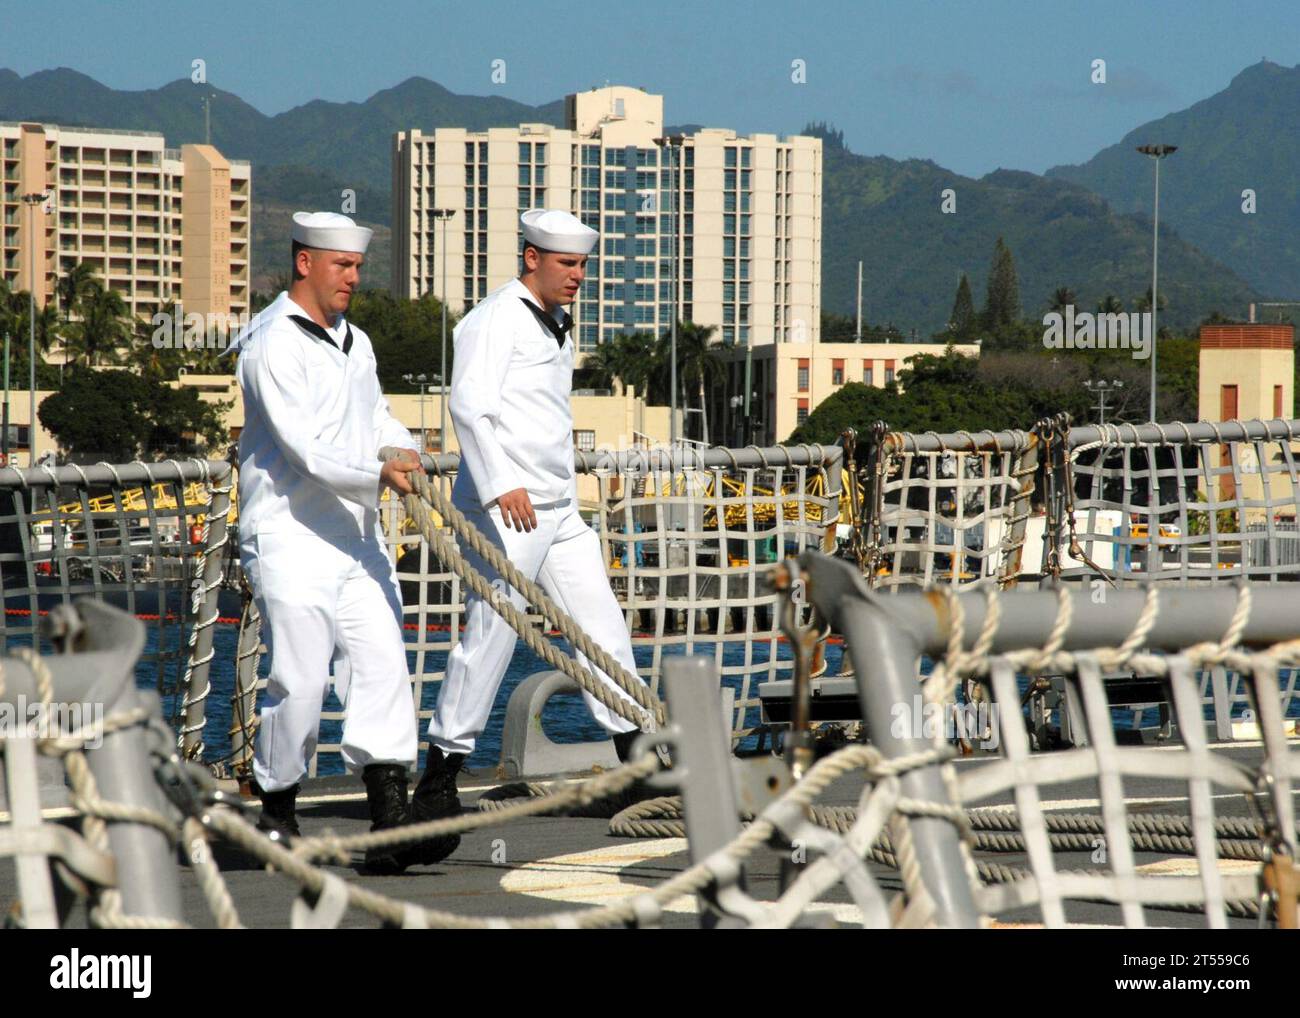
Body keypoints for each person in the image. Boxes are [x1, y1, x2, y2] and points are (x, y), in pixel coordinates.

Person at [409, 209, 652, 831]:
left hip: (559, 506)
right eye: (567, 264)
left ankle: (636, 768)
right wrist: (500, 484)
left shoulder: (558, 324)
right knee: (491, 637)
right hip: (510, 510)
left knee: (603, 630)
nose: (578, 276)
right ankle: (439, 776)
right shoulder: (494, 320)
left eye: (583, 265)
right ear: (531, 259)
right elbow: (469, 407)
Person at [233, 211, 456, 872]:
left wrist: (407, 450)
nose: (354, 278)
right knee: (298, 682)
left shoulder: (354, 341)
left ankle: (388, 825)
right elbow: (304, 449)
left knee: (384, 667)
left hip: (354, 537)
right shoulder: (271, 341)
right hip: (290, 537)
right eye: (342, 266)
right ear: (305, 263)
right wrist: (376, 472)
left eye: (357, 267)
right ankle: (276, 811)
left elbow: (375, 413)